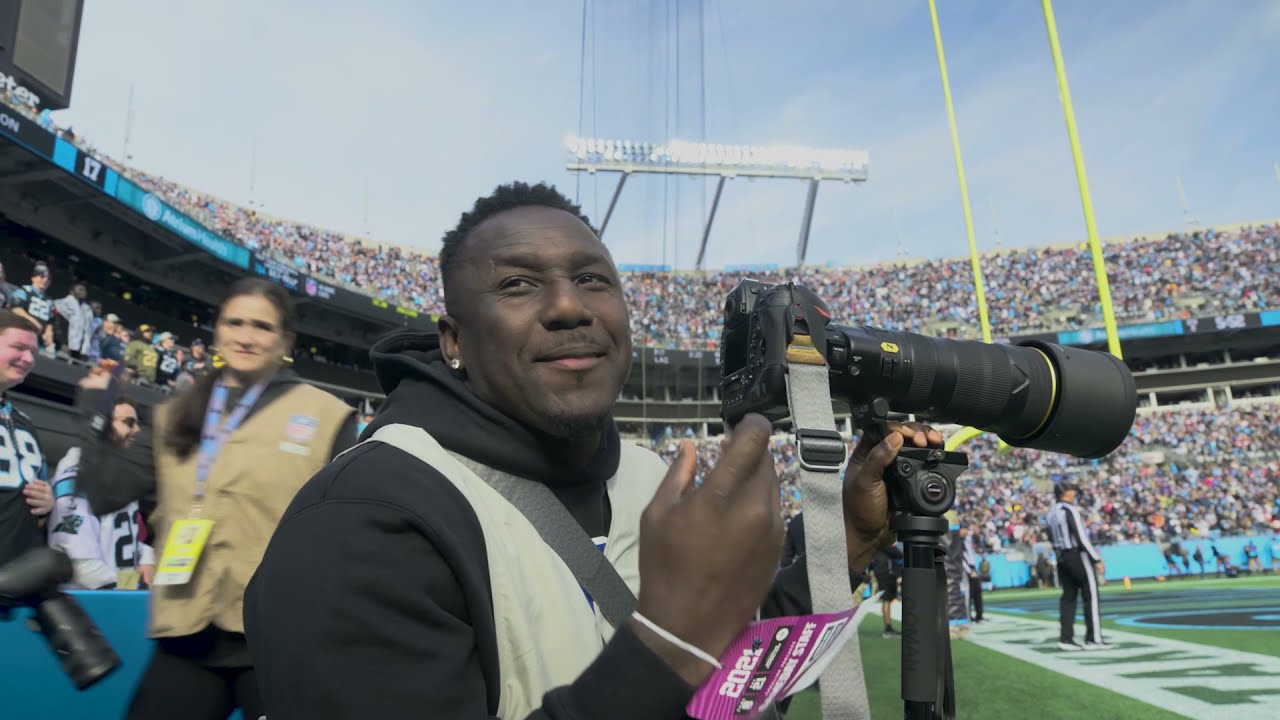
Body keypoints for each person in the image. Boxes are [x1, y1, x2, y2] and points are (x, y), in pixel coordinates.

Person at [242, 182, 941, 719]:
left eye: (594, 279)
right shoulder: (362, 518)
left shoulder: (648, 475)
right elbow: (690, 654)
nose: (570, 306)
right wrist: (672, 645)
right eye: (518, 284)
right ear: (452, 339)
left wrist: (845, 538)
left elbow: (734, 682)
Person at [73, 277, 359, 720]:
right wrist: (93, 409)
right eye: (235, 322)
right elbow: (105, 493)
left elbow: (347, 538)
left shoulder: (327, 417)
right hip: (189, 635)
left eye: (262, 327)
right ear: (218, 330)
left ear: (286, 339)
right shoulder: (173, 413)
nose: (246, 337)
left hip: (280, 642)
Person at [47, 395, 156, 589]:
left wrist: (146, 556)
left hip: (118, 599)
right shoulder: (78, 473)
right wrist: (134, 587)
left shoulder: (120, 472)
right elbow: (83, 568)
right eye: (128, 423)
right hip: (93, 606)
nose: (137, 430)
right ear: (103, 424)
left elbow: (117, 540)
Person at [0, 311, 53, 566]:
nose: (29, 358)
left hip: (19, 582)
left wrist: (46, 503)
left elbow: (39, 506)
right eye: (19, 347)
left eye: (34, 351)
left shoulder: (24, 422)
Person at [1046, 482, 1108, 650]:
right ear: (1065, 492)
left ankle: (1065, 638)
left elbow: (1050, 536)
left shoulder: (1051, 513)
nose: (1074, 492)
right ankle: (1093, 638)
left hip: (1061, 556)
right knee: (1091, 595)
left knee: (1068, 597)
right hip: (1076, 555)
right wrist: (1096, 559)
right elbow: (1081, 537)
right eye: (1072, 490)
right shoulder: (1070, 510)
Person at [8, 262, 55, 353]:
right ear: (33, 278)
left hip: (37, 340)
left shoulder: (49, 301)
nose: (45, 280)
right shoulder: (23, 291)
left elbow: (50, 321)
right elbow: (15, 308)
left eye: (48, 279)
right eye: (42, 277)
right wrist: (33, 321)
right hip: (19, 333)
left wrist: (49, 334)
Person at [53, 280, 95, 360]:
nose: (83, 292)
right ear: (72, 291)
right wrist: (62, 343)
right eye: (80, 289)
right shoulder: (62, 303)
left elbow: (88, 331)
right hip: (64, 345)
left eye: (84, 290)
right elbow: (58, 325)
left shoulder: (87, 309)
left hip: (80, 349)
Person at [872, 544, 904, 637]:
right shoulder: (884, 544)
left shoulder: (878, 545)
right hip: (886, 573)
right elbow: (898, 554)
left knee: (887, 600)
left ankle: (888, 627)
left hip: (883, 572)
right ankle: (888, 629)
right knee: (886, 599)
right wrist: (893, 546)